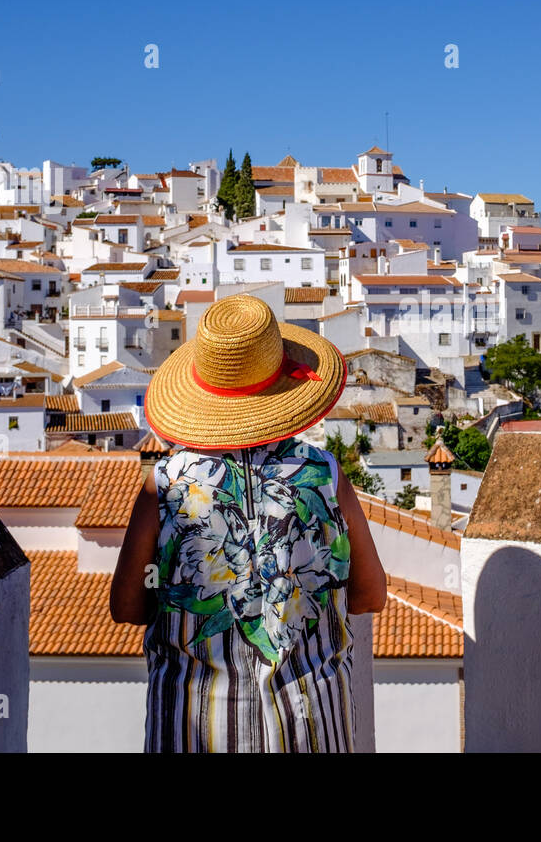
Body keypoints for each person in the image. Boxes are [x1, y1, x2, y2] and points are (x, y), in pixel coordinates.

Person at [110, 294, 387, 752]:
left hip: (192, 725)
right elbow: (370, 593)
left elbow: (127, 607)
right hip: (310, 722)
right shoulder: (325, 475)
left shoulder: (165, 484)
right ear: (282, 384)